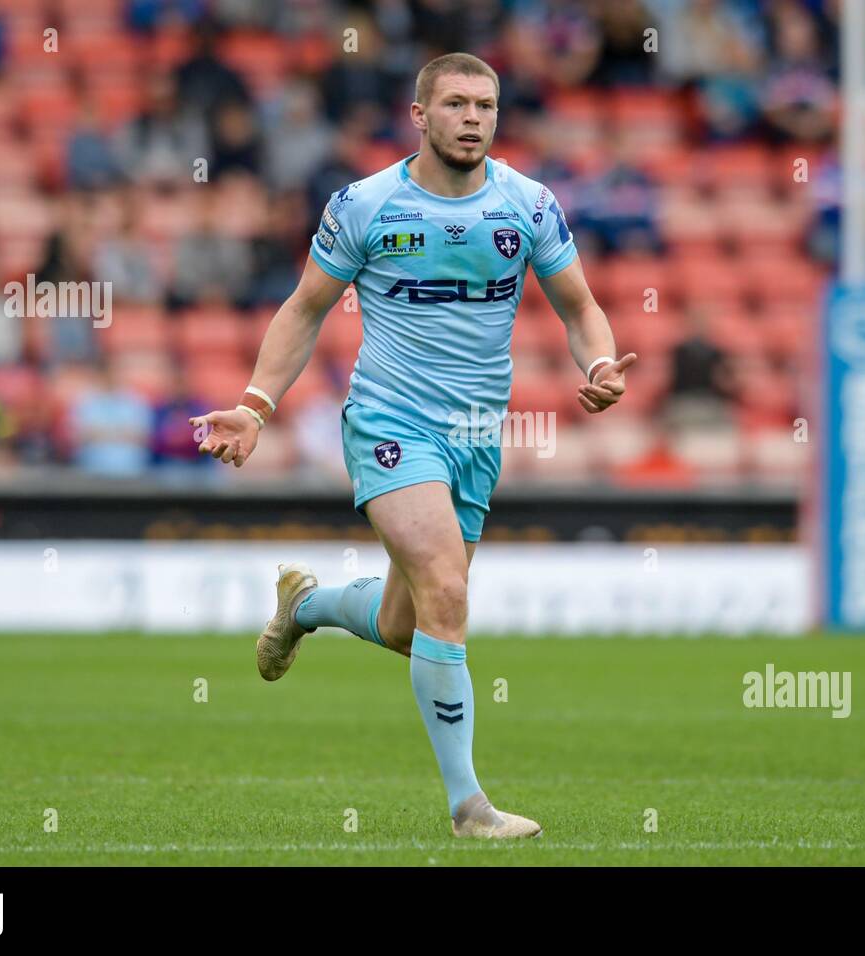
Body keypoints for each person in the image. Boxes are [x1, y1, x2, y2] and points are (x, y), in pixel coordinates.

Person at [189, 53, 636, 840]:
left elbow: (580, 307)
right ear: (419, 115)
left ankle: (309, 606)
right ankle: (471, 809)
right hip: (390, 422)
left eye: (487, 105)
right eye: (457, 103)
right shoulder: (365, 205)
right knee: (446, 587)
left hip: (474, 437)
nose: (473, 117)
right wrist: (257, 405)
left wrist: (598, 363)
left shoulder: (528, 206)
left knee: (407, 625)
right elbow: (303, 311)